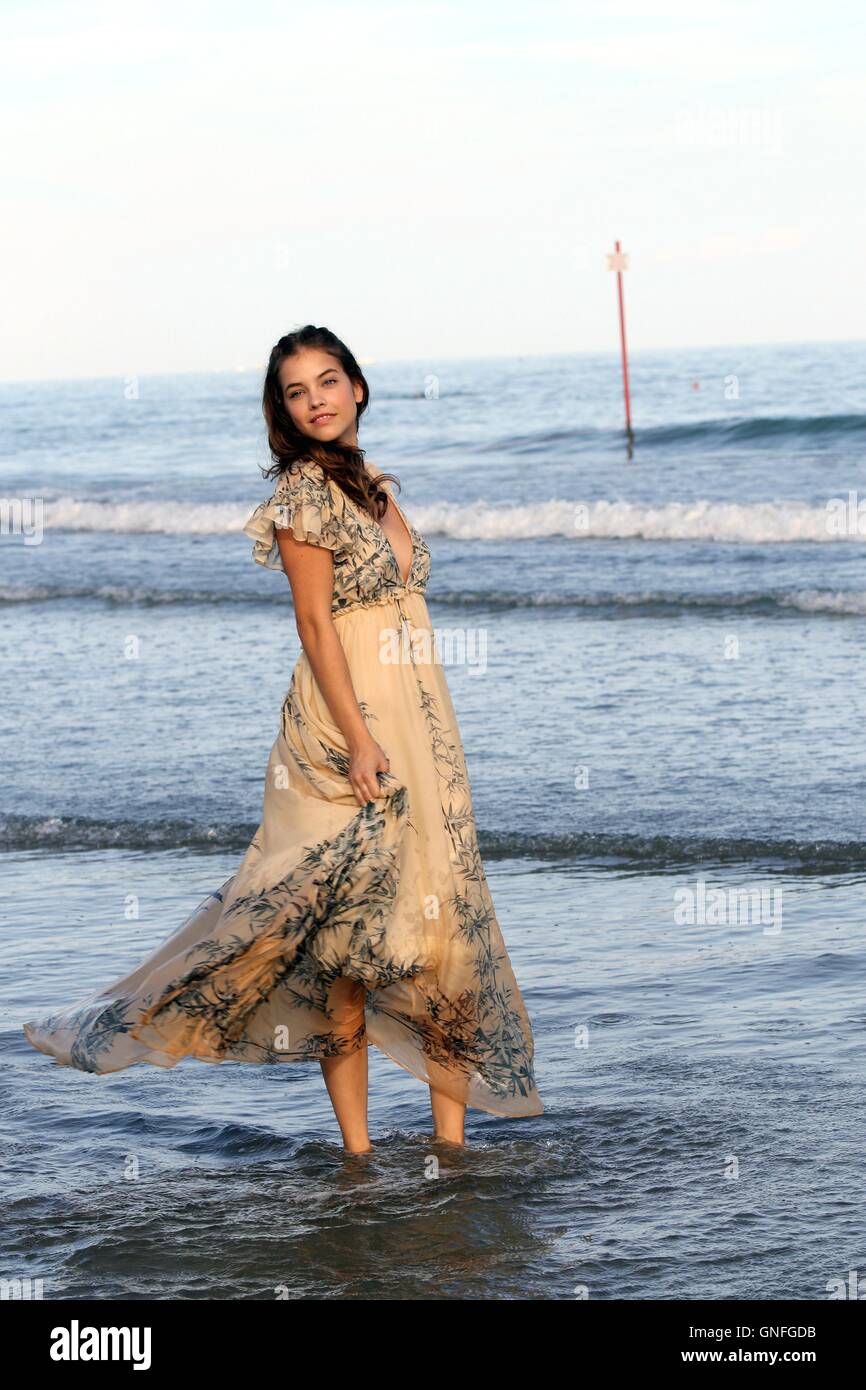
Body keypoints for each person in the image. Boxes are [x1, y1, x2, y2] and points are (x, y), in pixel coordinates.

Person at [22, 324, 544, 1153]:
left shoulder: (373, 483)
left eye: (328, 382)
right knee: (340, 937)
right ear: (284, 411)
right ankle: (358, 1152)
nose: (317, 401)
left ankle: (452, 1144)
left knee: (435, 927)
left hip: (422, 720)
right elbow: (314, 621)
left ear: (359, 387)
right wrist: (359, 737)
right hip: (350, 724)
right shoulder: (305, 493)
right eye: (297, 392)